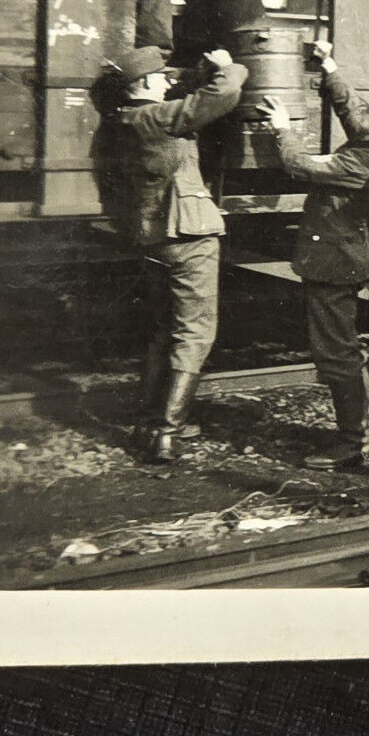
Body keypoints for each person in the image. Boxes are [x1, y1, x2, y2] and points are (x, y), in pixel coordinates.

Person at [260, 40, 369, 469]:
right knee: (341, 348)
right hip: (338, 260)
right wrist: (330, 66)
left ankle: (353, 441)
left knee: (335, 353)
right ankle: (360, 426)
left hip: (334, 265)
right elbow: (349, 106)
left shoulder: (361, 163)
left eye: (368, 115)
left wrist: (281, 128)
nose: (358, 114)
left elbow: (299, 166)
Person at [103, 45, 247, 463]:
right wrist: (225, 65)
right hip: (189, 235)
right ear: (143, 83)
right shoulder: (159, 116)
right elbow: (223, 94)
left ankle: (148, 424)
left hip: (153, 237)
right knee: (196, 333)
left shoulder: (121, 120)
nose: (168, 81)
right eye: (162, 77)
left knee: (163, 331)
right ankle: (168, 432)